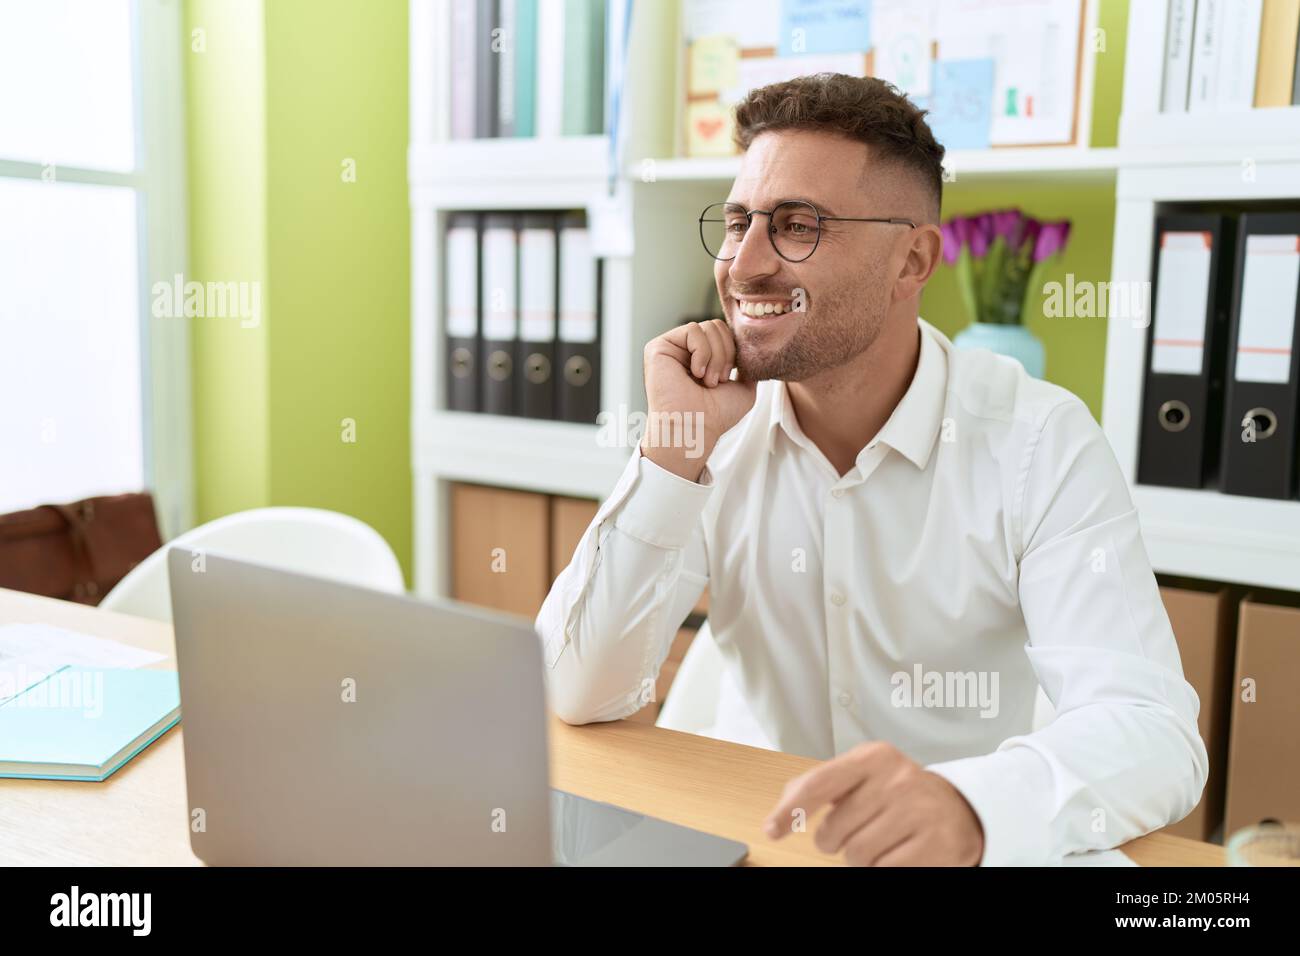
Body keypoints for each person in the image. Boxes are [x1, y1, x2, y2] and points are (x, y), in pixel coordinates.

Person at [535, 73, 1207, 866]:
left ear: (912, 260)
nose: (743, 266)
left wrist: (971, 806)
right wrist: (673, 453)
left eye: (797, 226)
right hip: (754, 838)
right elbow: (569, 690)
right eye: (740, 221)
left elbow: (1152, 730)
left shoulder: (1037, 442)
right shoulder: (711, 426)